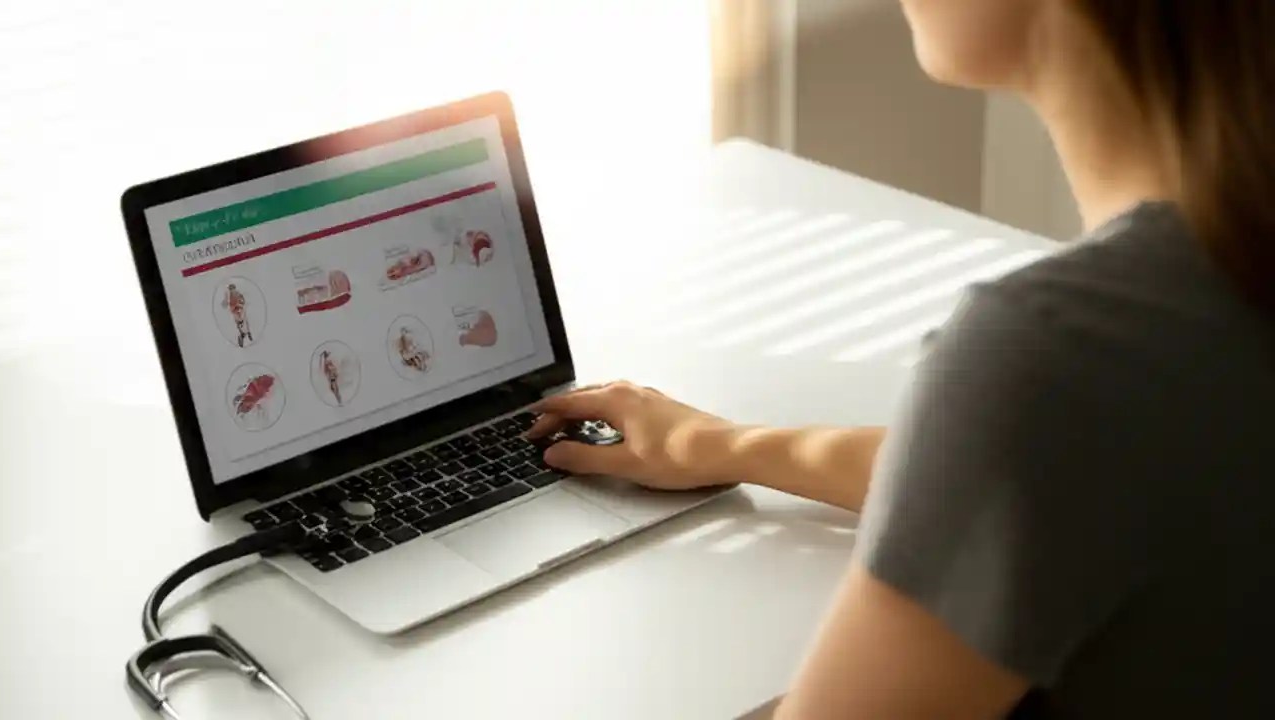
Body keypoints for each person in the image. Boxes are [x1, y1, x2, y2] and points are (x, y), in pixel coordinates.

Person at [528, 2, 1275, 718]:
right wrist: (724, 445)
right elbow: (1051, 474)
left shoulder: (1057, 353)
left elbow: (1047, 435)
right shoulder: (1202, 290)